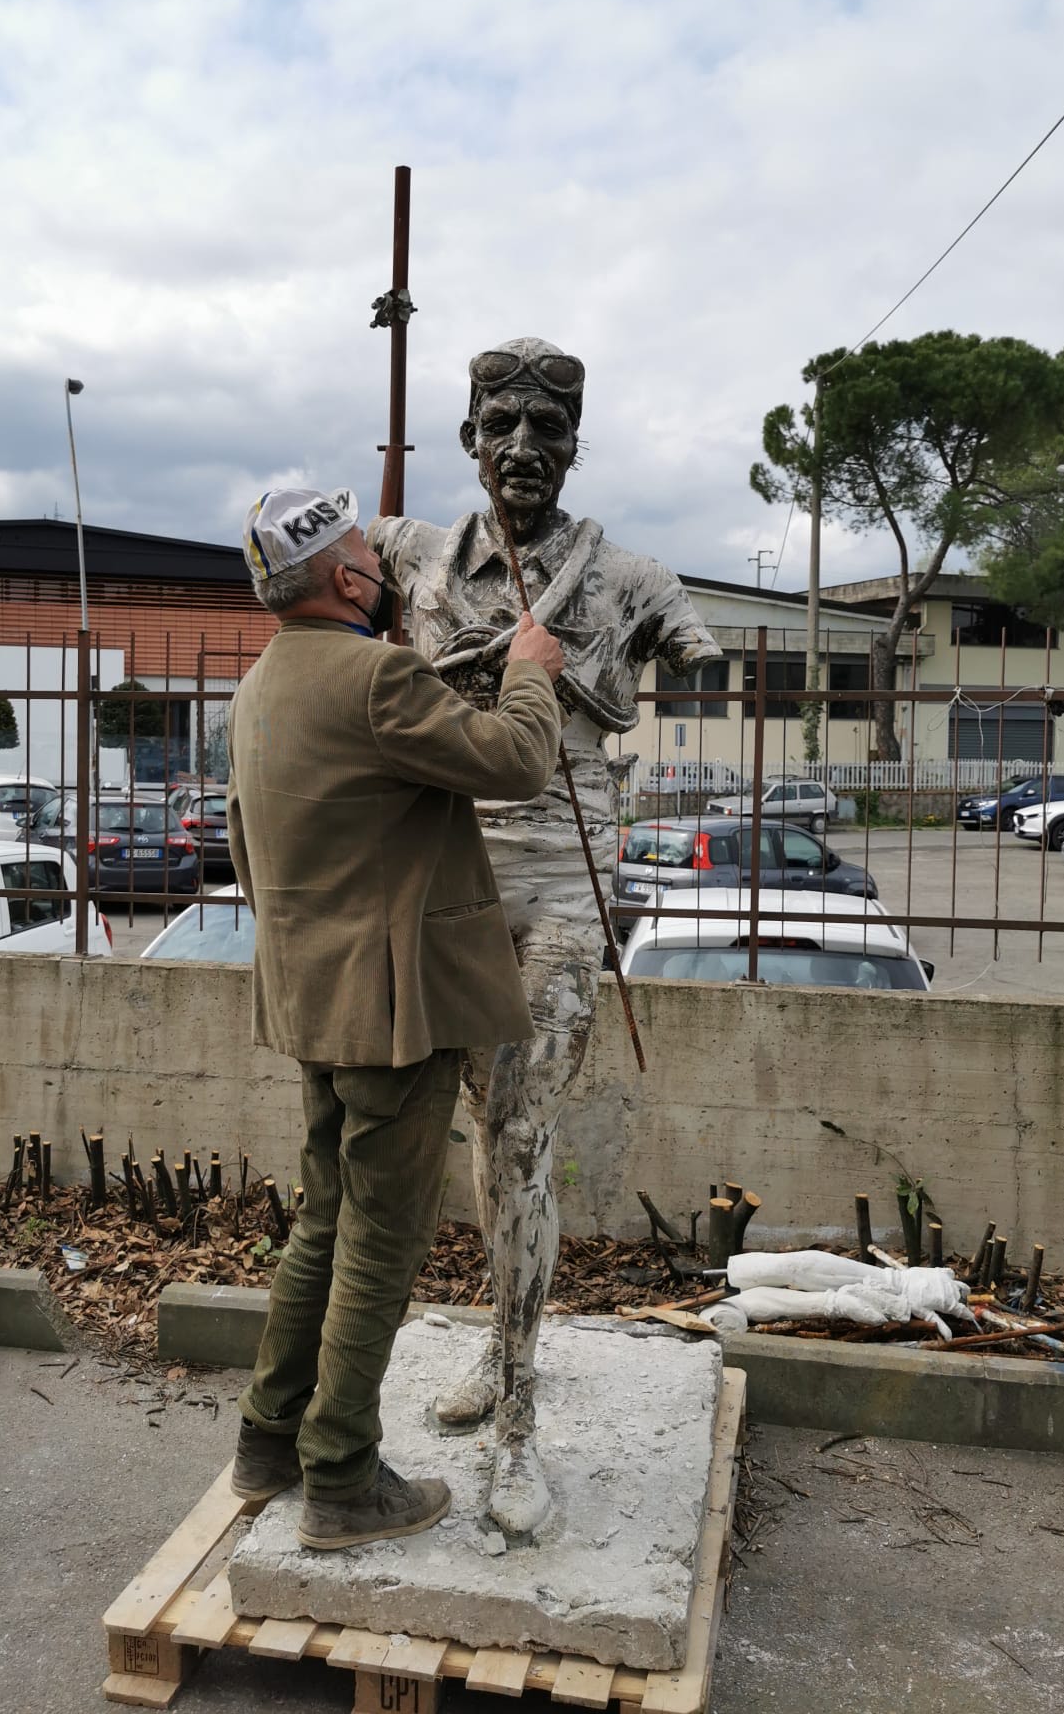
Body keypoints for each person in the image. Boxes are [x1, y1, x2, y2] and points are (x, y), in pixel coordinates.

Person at [369, 338, 721, 1534]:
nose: (523, 449)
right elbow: (289, 571)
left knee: (522, 1135)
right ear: (469, 438)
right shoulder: (409, 555)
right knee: (465, 1130)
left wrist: (620, 659)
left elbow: (704, 660)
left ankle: (520, 1423)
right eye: (500, 426)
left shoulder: (626, 577)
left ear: (575, 445)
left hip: (564, 888)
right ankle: (493, 1345)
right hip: (435, 875)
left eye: (547, 430)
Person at [225, 484, 564, 1550]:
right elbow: (515, 762)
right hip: (393, 1014)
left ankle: (267, 1440)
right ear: (345, 576)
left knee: (324, 1222)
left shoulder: (259, 688)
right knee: (382, 1239)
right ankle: (341, 1479)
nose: (381, 569)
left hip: (311, 1004)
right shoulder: (375, 677)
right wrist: (528, 674)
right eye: (369, 556)